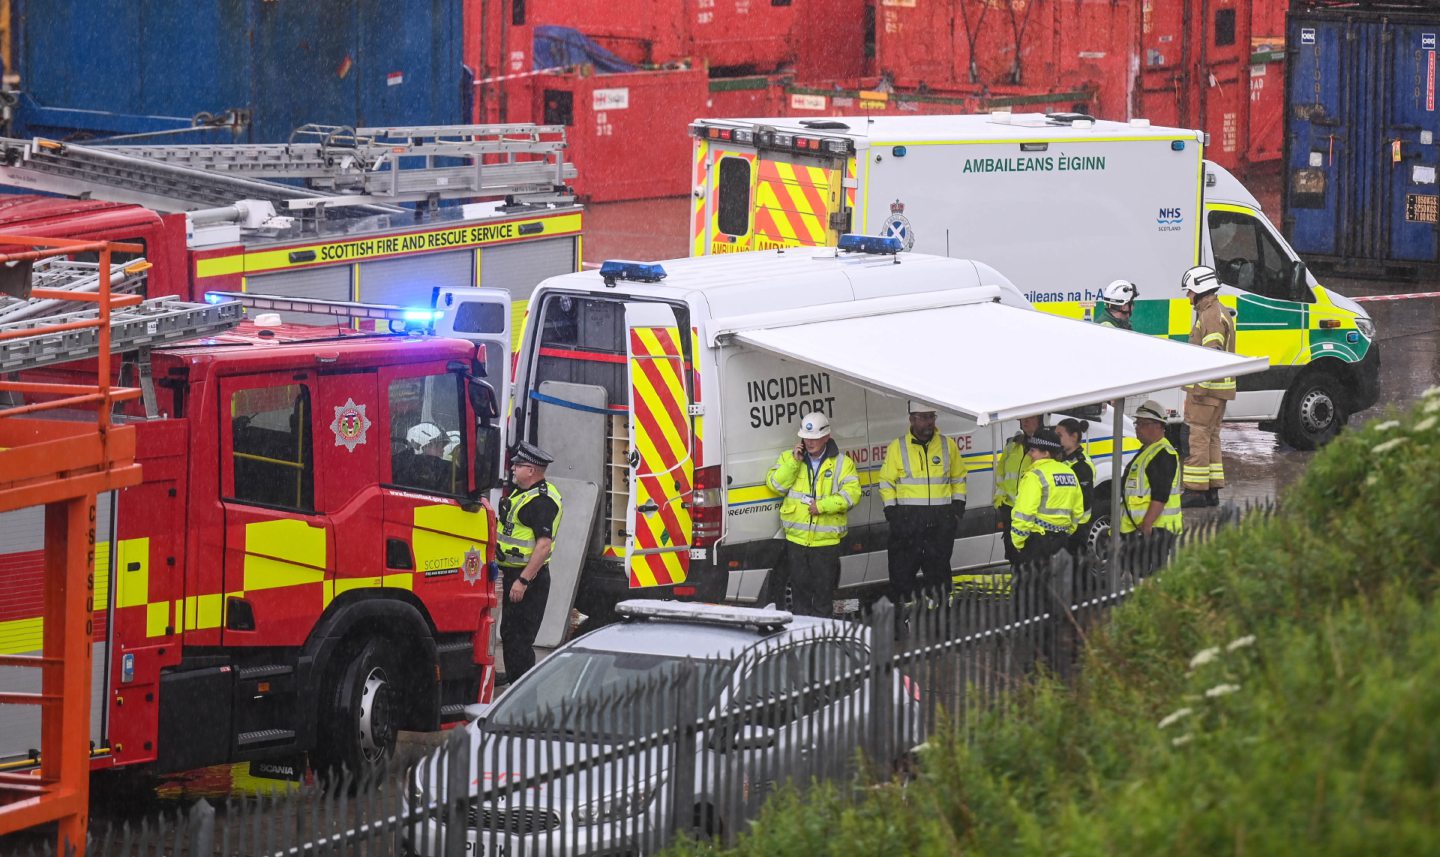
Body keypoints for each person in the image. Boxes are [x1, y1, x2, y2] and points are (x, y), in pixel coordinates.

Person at [765, 412, 860, 617]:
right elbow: (776, 485)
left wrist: (823, 506)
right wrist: (793, 462)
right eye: (806, 437)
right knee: (800, 597)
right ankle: (802, 639)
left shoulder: (842, 463)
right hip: (797, 541)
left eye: (814, 438)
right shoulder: (789, 458)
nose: (809, 442)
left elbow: (852, 495)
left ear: (826, 437)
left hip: (825, 543)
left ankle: (820, 639)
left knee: (823, 597)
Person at [879, 402, 968, 604]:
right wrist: (892, 511)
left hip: (940, 522)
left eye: (932, 417)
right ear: (912, 419)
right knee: (902, 576)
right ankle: (907, 622)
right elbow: (886, 481)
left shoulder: (947, 445)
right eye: (924, 417)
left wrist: (957, 508)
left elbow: (959, 477)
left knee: (938, 575)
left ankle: (939, 622)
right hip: (908, 522)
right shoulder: (898, 447)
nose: (929, 422)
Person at [496, 441, 562, 682]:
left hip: (529, 580)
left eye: (518, 465)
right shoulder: (522, 492)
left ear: (532, 470)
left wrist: (523, 580)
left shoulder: (541, 501)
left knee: (520, 639)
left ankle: (522, 688)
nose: (513, 468)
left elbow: (543, 546)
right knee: (509, 634)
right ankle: (516, 680)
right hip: (514, 574)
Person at [1179, 265, 1236, 508]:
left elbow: (1211, 354)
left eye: (1190, 291)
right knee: (1211, 437)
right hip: (1218, 392)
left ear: (1201, 289)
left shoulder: (1210, 315)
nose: (1188, 297)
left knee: (1198, 438)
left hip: (1206, 393)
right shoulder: (1218, 311)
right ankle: (1212, 489)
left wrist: (1198, 390)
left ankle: (1195, 491)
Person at [1119, 400, 1183, 571]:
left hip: (1154, 530)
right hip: (1141, 528)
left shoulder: (1163, 453)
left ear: (1156, 426)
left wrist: (1147, 523)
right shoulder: (1149, 450)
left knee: (1147, 578)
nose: (1136, 428)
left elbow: (1160, 495)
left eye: (1141, 423)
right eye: (1137, 423)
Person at [1008, 428, 1084, 568]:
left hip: (1038, 543)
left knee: (1033, 587)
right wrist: (1067, 531)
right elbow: (1078, 510)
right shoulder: (1069, 473)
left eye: (1033, 450)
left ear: (1046, 453)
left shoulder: (1035, 476)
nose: (1030, 454)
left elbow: (1025, 512)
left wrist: (1018, 542)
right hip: (1061, 541)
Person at [993, 414, 1042, 563]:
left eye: (1030, 417)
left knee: (1030, 559)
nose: (1025, 421)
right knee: (1014, 556)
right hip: (1010, 509)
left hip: (1032, 512)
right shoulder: (1012, 445)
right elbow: (1001, 473)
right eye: (1022, 418)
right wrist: (1000, 501)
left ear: (1040, 419)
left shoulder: (1045, 446)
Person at [1055, 417, 1095, 559]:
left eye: (1059, 435)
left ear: (1074, 437)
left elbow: (1083, 502)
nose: (1056, 439)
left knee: (1076, 573)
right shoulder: (1063, 459)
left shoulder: (1081, 465)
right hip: (1065, 527)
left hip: (1077, 529)